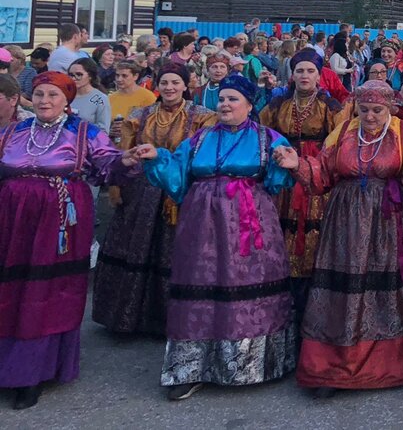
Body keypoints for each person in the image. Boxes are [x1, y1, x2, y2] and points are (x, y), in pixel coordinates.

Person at [130, 73, 296, 400]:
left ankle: (251, 364)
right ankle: (190, 368)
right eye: (221, 99)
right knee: (200, 283)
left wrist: (286, 164)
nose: (224, 104)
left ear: (250, 105)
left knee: (246, 284)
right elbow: (177, 175)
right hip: (202, 222)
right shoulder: (200, 138)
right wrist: (156, 157)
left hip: (250, 223)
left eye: (233, 99)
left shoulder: (268, 138)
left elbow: (278, 181)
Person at [272, 81, 403, 396]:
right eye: (365, 109)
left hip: (389, 223)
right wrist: (298, 166)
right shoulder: (345, 130)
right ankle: (332, 367)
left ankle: (389, 366)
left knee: (385, 291)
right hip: (344, 222)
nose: (371, 116)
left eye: (377, 110)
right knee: (343, 290)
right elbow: (322, 173)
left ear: (389, 107)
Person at [0, 72, 139, 410]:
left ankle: (31, 373)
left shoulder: (83, 134)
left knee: (42, 292)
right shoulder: (13, 132)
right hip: (11, 220)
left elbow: (107, 163)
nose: (45, 101)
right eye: (40, 94)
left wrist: (127, 158)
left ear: (67, 100)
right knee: (9, 289)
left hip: (59, 222)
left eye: (53, 95)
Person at [93, 65, 216, 336]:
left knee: (172, 251)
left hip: (179, 190)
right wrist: (117, 186)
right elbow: (123, 152)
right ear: (156, 85)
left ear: (186, 85)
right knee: (135, 247)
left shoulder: (203, 117)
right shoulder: (140, 116)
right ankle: (128, 317)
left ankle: (169, 320)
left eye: (175, 82)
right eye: (164, 82)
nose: (169, 87)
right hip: (141, 192)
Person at [258, 49, 341, 319]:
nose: (304, 75)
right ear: (291, 74)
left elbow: (338, 143)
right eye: (299, 70)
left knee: (314, 234)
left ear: (319, 75)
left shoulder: (330, 106)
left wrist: (313, 167)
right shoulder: (277, 104)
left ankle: (313, 299)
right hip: (282, 178)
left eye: (310, 71)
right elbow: (259, 131)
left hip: (316, 179)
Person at [65, 57, 111, 132]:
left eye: (79, 74)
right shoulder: (65, 96)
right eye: (71, 75)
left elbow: (103, 129)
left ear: (90, 76)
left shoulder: (100, 99)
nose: (73, 78)